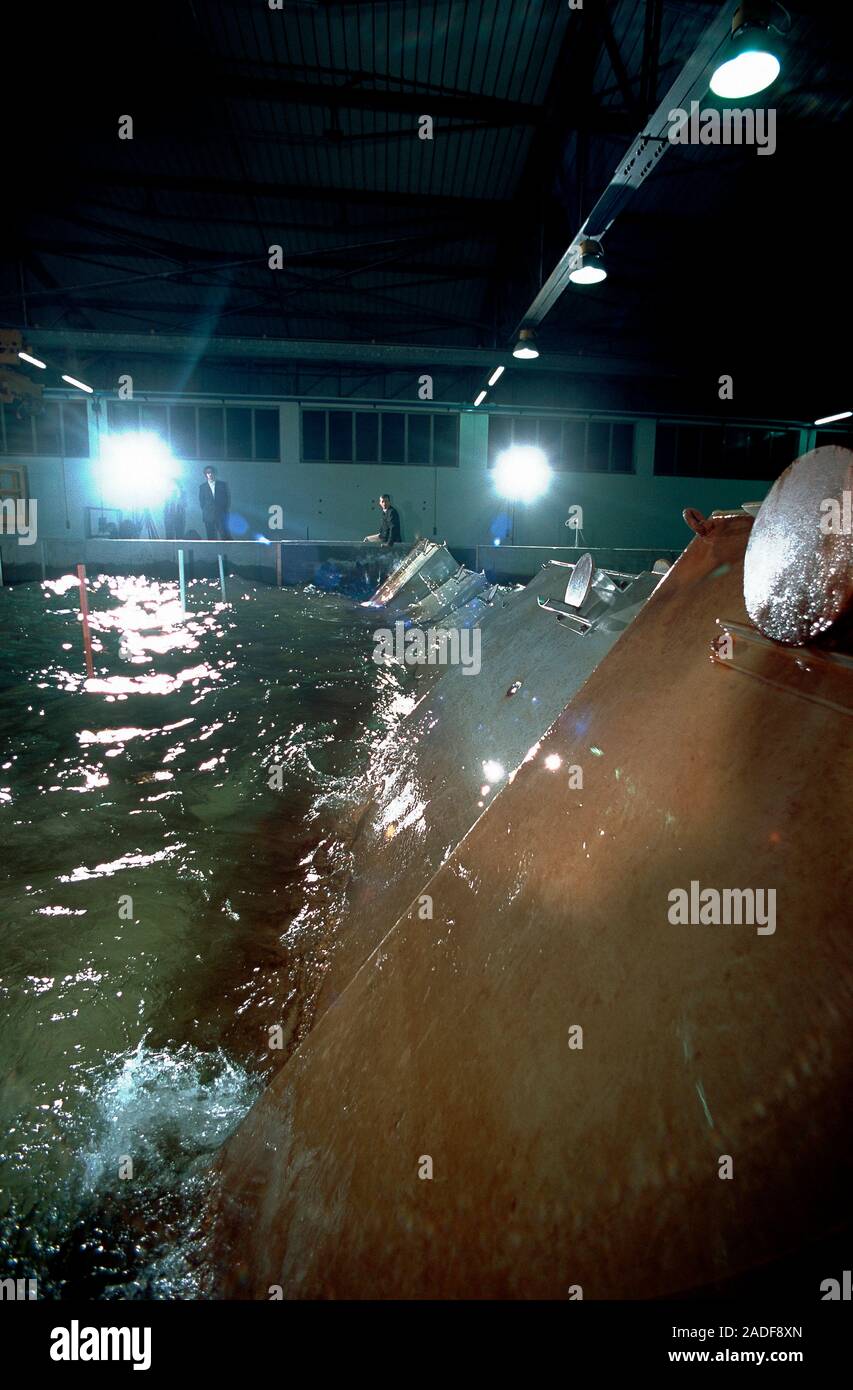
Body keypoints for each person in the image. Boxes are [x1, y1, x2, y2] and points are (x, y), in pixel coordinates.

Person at [198, 466, 231, 540]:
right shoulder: (202, 487)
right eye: (208, 473)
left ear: (214, 473)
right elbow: (202, 502)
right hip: (208, 515)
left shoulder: (222, 485)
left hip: (221, 514)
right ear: (205, 475)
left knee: (224, 535)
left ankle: (227, 551)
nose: (210, 474)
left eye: (211, 472)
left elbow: (226, 499)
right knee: (210, 536)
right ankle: (212, 551)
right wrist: (206, 511)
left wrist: (223, 511)